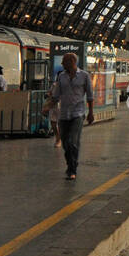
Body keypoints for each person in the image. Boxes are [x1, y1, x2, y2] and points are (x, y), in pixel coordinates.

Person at [50, 52, 94, 180]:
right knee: (65, 143)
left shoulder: (85, 76)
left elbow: (90, 96)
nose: (62, 64)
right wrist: (47, 107)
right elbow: (56, 95)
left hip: (78, 114)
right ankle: (71, 163)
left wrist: (91, 113)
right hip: (64, 115)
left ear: (72, 62)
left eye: (64, 61)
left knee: (73, 141)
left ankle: (72, 169)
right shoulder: (61, 77)